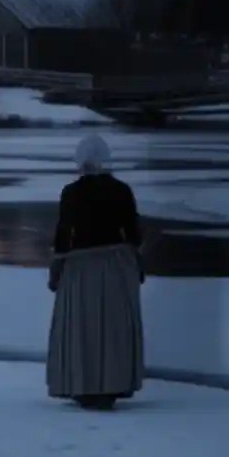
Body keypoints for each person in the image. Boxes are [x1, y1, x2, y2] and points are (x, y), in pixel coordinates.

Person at [46, 134, 145, 410]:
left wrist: (57, 269)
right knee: (113, 327)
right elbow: (134, 233)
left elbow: (63, 235)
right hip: (116, 266)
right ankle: (113, 382)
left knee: (83, 328)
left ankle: (84, 384)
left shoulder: (71, 192)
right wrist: (136, 263)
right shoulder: (121, 190)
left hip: (80, 268)